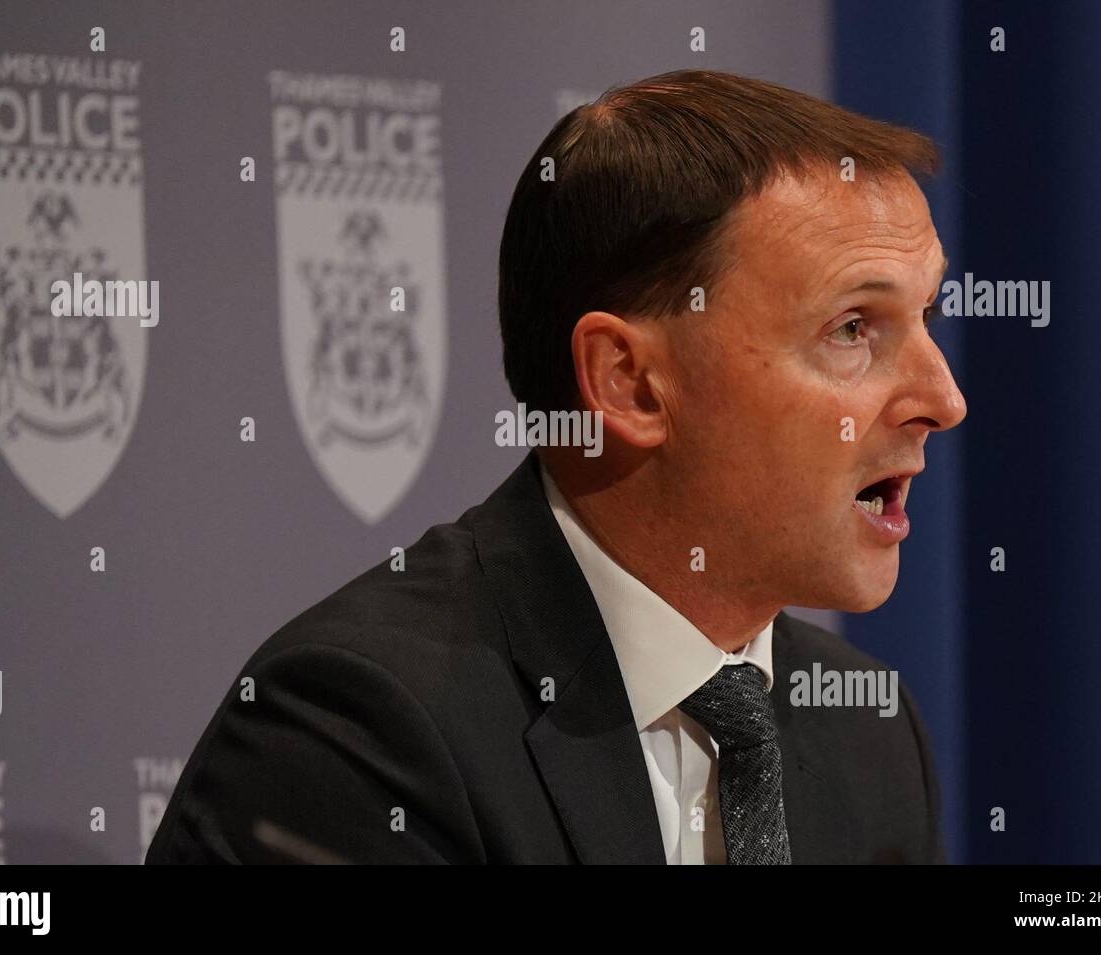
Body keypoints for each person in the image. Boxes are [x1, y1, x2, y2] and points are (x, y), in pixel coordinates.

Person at [148, 69, 966, 865]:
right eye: (854, 327)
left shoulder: (870, 732)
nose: (944, 397)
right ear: (630, 383)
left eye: (925, 315)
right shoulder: (358, 731)